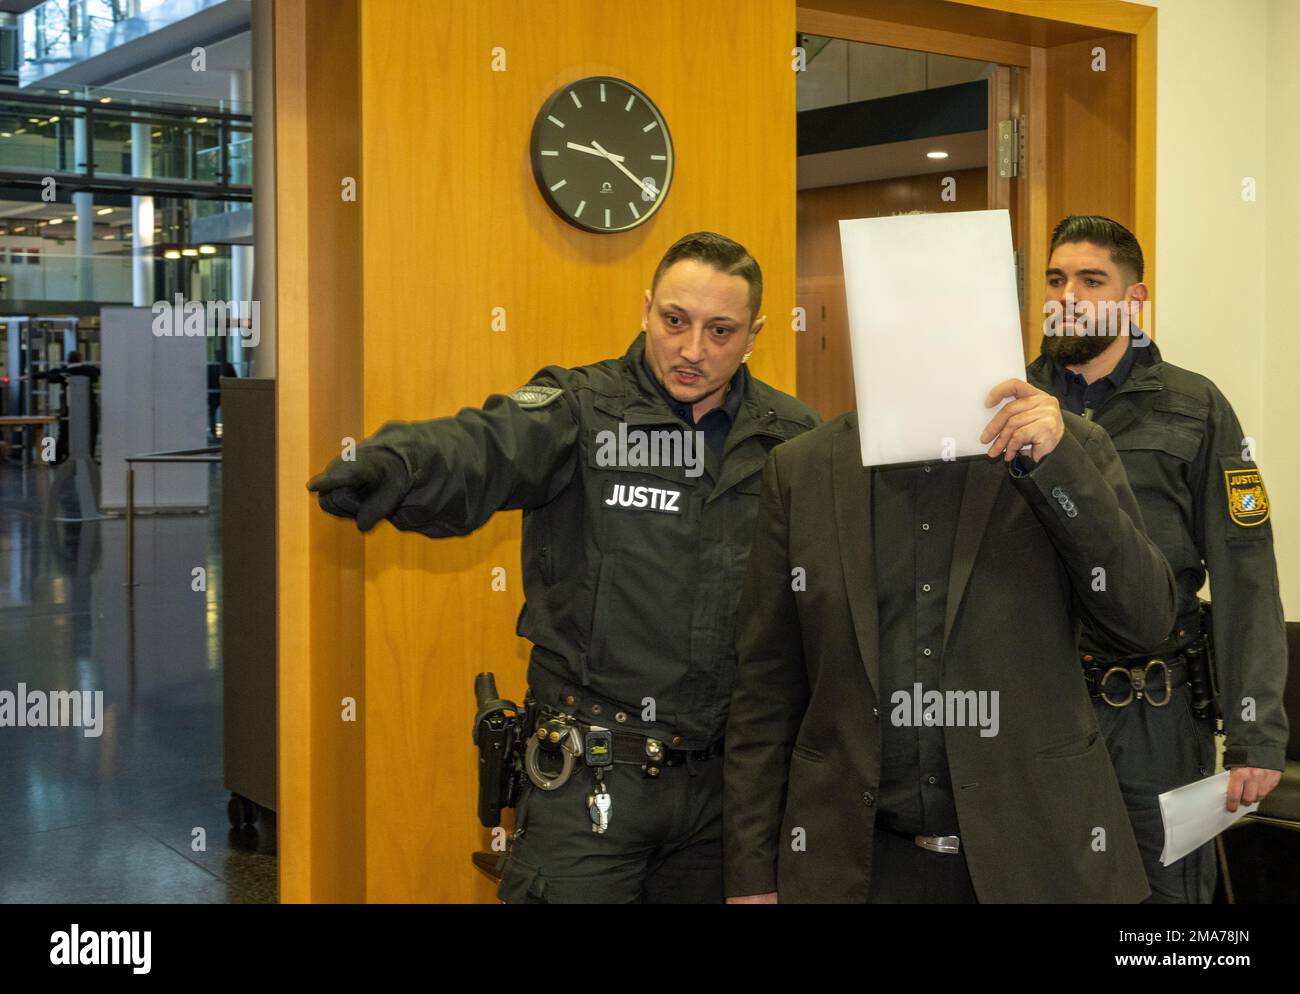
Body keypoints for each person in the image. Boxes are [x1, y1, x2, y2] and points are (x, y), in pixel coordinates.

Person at [307, 231, 820, 903]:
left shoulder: (792, 439)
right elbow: (484, 447)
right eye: (675, 321)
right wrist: (402, 465)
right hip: (589, 785)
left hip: (724, 799)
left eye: (720, 330)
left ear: (753, 334)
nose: (693, 350)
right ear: (646, 310)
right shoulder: (579, 409)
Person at [723, 376, 1177, 902]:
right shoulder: (802, 468)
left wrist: (1058, 468)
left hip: (1038, 860)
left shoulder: (1062, 449)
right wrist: (752, 876)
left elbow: (1144, 621)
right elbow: (765, 689)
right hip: (855, 865)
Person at [1026, 215, 1287, 903]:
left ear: (1134, 300)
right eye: (1055, 280)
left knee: (1164, 905)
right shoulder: (1009, 403)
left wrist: (1257, 733)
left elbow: (1245, 571)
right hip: (1038, 707)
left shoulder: (1194, 408)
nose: (1068, 296)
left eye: (1090, 280)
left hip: (1157, 711)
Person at [28, 350, 100, 463]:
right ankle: (89, 457)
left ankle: (54, 458)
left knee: (64, 433)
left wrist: (29, 376)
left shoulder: (64, 371)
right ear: (81, 358)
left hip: (68, 407)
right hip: (88, 406)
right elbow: (96, 375)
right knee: (91, 431)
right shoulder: (89, 370)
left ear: (68, 359)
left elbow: (48, 375)